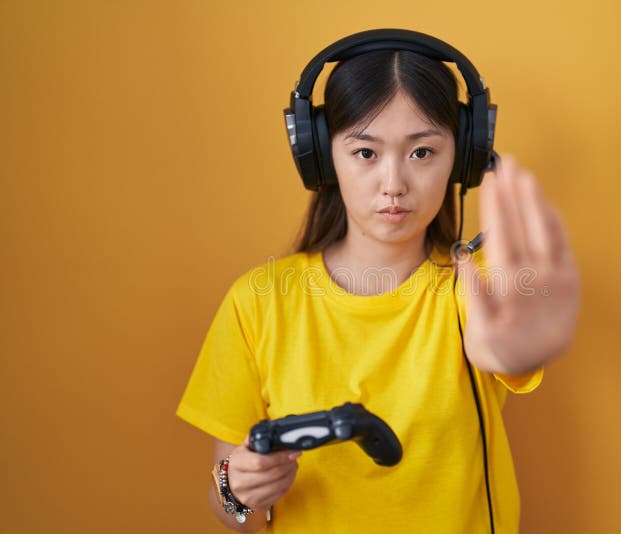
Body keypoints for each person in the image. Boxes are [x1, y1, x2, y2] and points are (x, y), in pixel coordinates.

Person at [176, 31, 580, 534]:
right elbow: (231, 512)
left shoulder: (476, 285)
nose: (393, 183)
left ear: (464, 157)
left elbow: (498, 346)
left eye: (422, 152)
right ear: (323, 158)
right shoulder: (256, 304)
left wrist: (515, 350)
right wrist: (234, 488)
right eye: (366, 153)